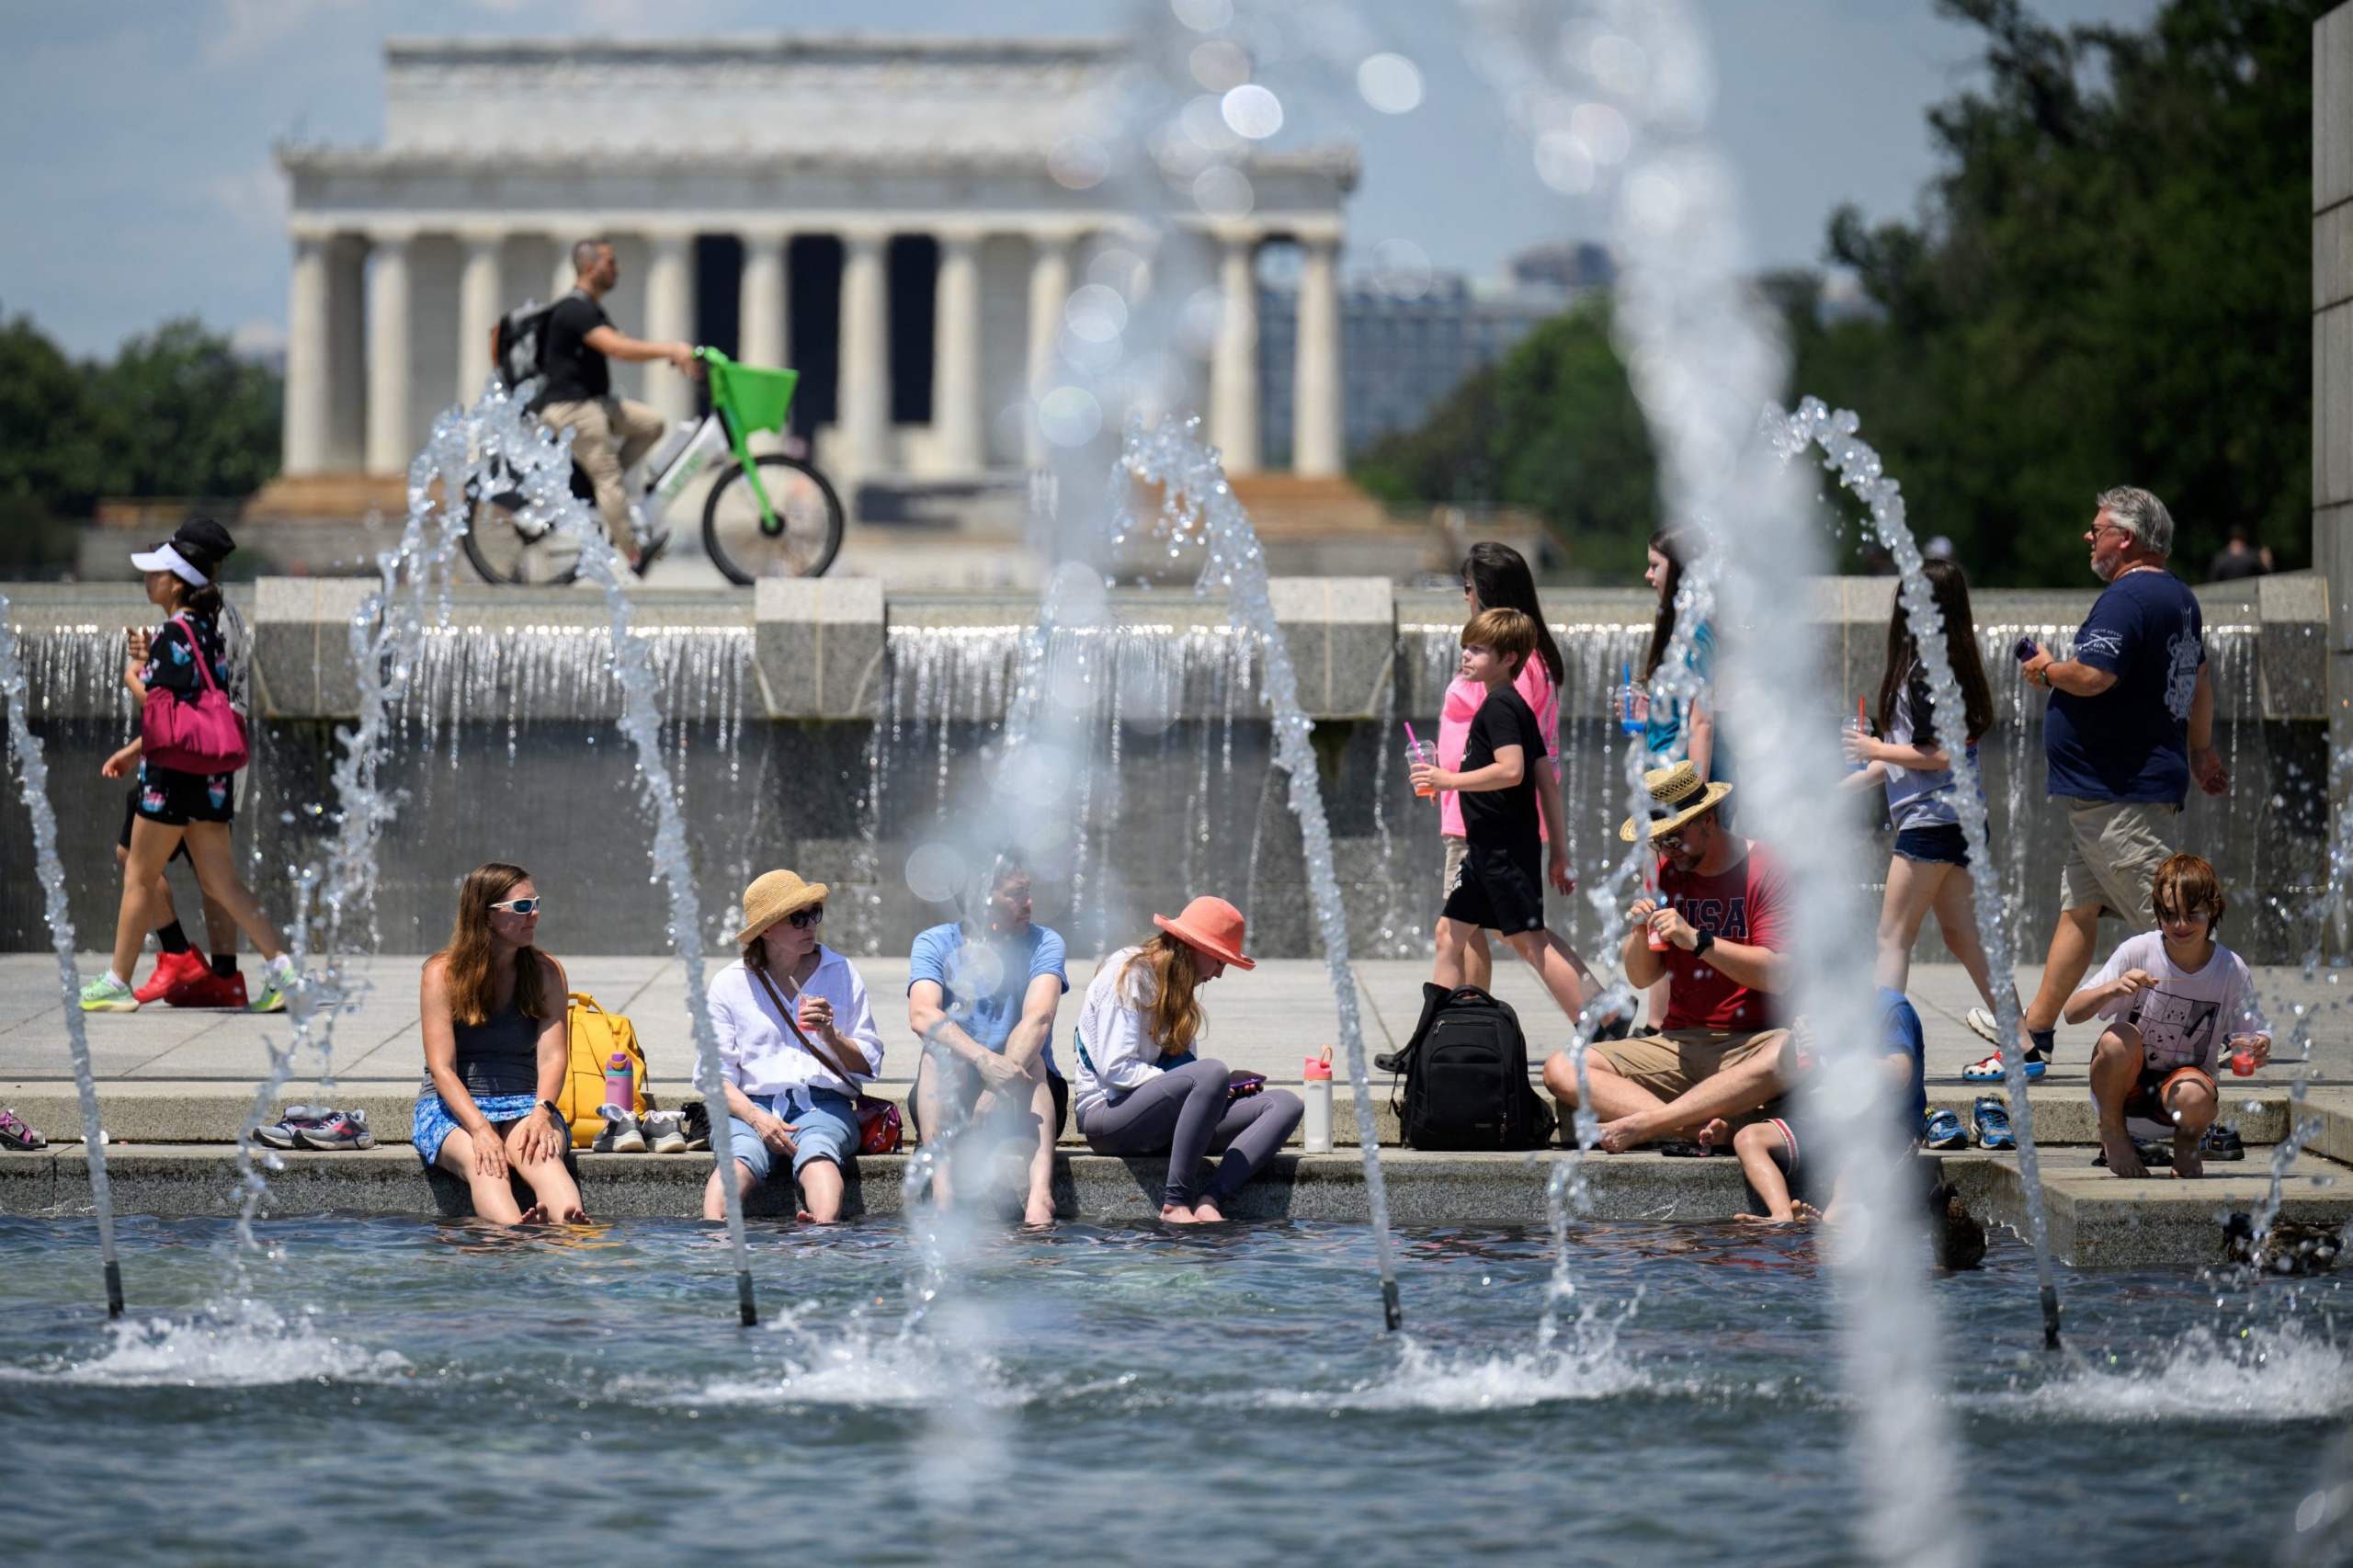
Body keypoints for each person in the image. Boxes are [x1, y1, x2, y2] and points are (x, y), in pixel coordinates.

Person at [1992, 487, 2231, 1082]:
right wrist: (2200, 749)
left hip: (2116, 791)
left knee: (2175, 916)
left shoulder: (2127, 596)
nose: (2088, 536)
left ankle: (2223, 1028)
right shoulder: (2179, 597)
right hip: (2124, 787)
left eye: (2097, 528)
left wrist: (2046, 669)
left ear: (2125, 537)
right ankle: (2036, 1034)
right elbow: (2198, 678)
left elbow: (2095, 675)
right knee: (2079, 912)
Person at [80, 527, 297, 1015]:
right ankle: (284, 971)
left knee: (138, 872)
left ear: (177, 584)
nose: (148, 581)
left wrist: (133, 676)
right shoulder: (207, 630)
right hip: (210, 775)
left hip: (172, 778)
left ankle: (118, 980)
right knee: (223, 882)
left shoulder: (174, 633)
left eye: (155, 574)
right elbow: (199, 698)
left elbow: (164, 709)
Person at [1541, 764, 1790, 1153]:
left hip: (1752, 1044)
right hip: (1678, 1044)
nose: (1667, 851)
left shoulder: (1768, 868)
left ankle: (1650, 1123)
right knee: (1561, 1067)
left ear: (1707, 821)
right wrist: (1640, 933)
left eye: (1673, 838)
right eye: (1657, 842)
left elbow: (1779, 975)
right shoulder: (1667, 869)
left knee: (1793, 1053)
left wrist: (1698, 940)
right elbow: (1641, 977)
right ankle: (1693, 1131)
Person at [1838, 559, 2016, 1024]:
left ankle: (1885, 1043)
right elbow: (1912, 757)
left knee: (1891, 939)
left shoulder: (1926, 674)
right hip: (1957, 822)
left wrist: (1874, 745)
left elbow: (1940, 755)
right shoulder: (1949, 667)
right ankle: (2022, 1045)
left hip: (1928, 824)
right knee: (1965, 938)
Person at [1411, 608, 1598, 1026]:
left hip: (1502, 850)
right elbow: (1546, 782)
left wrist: (1448, 779)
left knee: (1531, 943)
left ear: (1510, 657)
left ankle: (1600, 1023)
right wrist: (1559, 852)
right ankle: (1434, 1034)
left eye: (1478, 650)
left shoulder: (1499, 707)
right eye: (1466, 647)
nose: (1467, 656)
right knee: (1449, 936)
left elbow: (1511, 769)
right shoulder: (1513, 706)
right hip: (1486, 849)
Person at [1072, 897, 1302, 1223]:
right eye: (1219, 961)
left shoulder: (1179, 990)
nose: (1220, 974)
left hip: (1161, 1119)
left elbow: (1183, 1073)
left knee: (1285, 1104)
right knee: (1211, 1073)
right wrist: (1202, 1083)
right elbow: (1115, 1069)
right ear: (1192, 947)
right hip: (1109, 1117)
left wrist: (1221, 1086)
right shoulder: (1127, 974)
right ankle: (1175, 1205)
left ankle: (1211, 1200)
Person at [115, 520, 252, 1007]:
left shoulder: (198, 618)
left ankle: (177, 956)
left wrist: (138, 673)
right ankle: (226, 976)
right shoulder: (221, 614)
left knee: (139, 855)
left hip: (192, 760)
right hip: (217, 756)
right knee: (213, 872)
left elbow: (180, 703)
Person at [2066, 853, 2268, 1180]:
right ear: (2158, 912)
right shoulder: (2139, 951)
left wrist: (2259, 1046)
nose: (2181, 925)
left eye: (2193, 915)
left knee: (2193, 1091)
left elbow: (2254, 1032)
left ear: (2213, 910)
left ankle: (2188, 1141)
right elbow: (2071, 1013)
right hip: (2122, 1094)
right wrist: (2113, 989)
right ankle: (2113, 1131)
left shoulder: (2230, 969)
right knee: (2120, 1038)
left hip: (2183, 1100)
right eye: (2170, 915)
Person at [704, 869, 885, 1224]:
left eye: (814, 913)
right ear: (766, 929)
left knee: (819, 1153)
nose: (810, 924)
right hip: (750, 1105)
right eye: (797, 917)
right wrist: (757, 1118)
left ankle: (820, 1233)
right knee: (738, 1156)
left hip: (823, 1103)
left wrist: (831, 1035)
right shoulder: (730, 984)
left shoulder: (841, 972)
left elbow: (869, 1063)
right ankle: (715, 1236)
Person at [1433, 543, 1574, 994]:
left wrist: (1450, 779)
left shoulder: (1514, 669)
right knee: (1504, 932)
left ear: (1487, 590)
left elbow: (1516, 758)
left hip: (1486, 813)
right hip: (1482, 809)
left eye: (1469, 587)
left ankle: (1464, 1027)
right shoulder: (1524, 658)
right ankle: (1598, 1006)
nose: (1464, 596)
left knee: (1479, 931)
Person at [413, 863, 586, 1224]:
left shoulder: (546, 972)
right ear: (486, 916)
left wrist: (542, 1113)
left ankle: (571, 1233)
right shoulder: (441, 974)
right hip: (452, 1105)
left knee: (544, 1158)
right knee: (485, 1164)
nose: (534, 914)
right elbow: (442, 1068)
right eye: (522, 907)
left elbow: (554, 1057)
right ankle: (511, 1236)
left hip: (526, 1102)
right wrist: (479, 1130)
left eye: (536, 903)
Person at [908, 859, 1069, 1226]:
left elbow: (1038, 1018)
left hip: (1026, 1096)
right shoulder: (934, 942)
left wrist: (996, 1089)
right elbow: (922, 1015)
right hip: (954, 1096)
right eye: (1016, 894)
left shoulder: (1045, 941)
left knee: (1034, 1062)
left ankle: (1040, 1196)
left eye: (1029, 890)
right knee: (936, 1055)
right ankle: (944, 1196)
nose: (1029, 902)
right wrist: (983, 1061)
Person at [535, 236, 705, 574]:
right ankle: (634, 555)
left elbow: (624, 342)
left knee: (652, 423)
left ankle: (600, 488)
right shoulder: (574, 309)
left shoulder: (592, 308)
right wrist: (670, 349)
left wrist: (670, 355)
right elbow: (618, 349)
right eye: (611, 263)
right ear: (590, 268)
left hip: (595, 404)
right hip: (570, 407)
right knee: (609, 476)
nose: (618, 269)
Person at [1733, 991, 1926, 1227]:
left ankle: (1831, 1223)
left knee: (1851, 1176)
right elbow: (1789, 1070)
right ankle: (1782, 1216)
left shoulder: (1891, 1006)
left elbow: (1900, 1073)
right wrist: (1796, 1038)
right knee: (1748, 1138)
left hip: (1889, 1126)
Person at [2207, 525, 2272, 584]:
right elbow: (2266, 577)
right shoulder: (2253, 556)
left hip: (2227, 594)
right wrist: (2267, 564)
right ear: (2244, 537)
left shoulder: (2220, 558)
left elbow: (2213, 580)